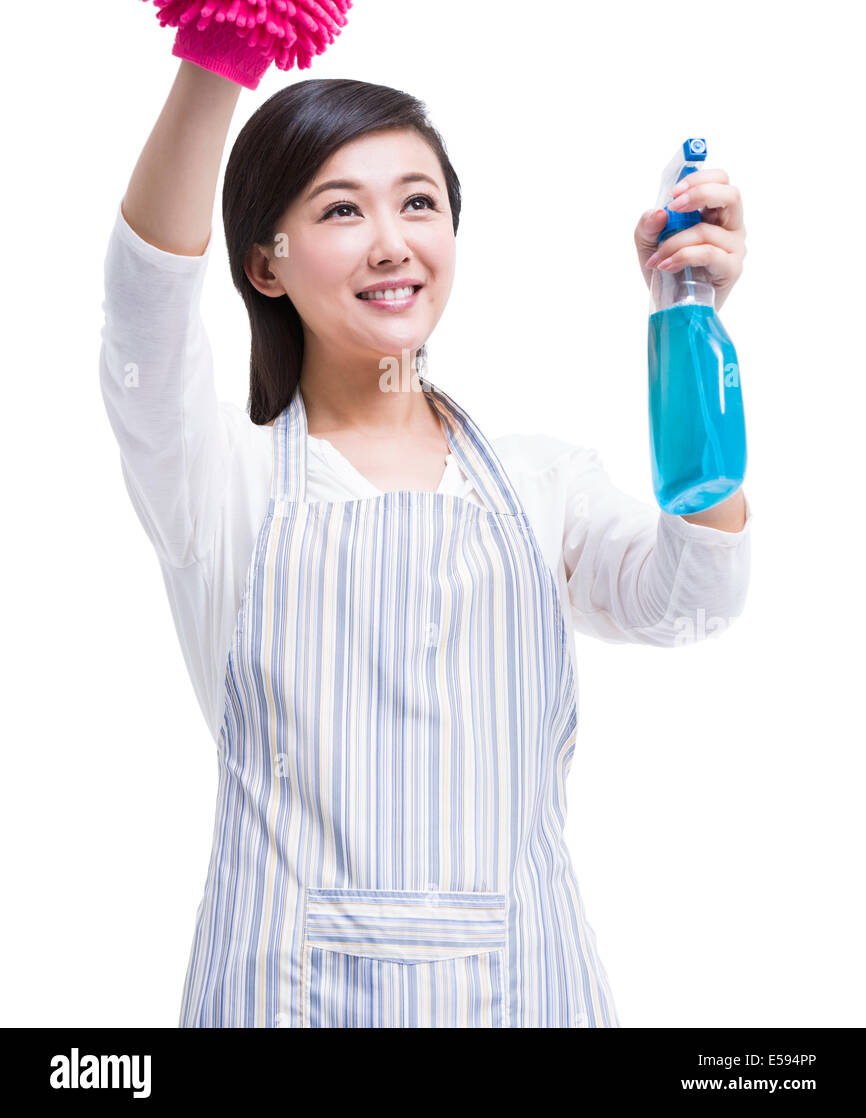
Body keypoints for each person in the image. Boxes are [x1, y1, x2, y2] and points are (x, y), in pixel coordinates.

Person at [99, 62, 752, 1028]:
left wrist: (686, 321)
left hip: (528, 996)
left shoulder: (541, 484)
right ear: (265, 261)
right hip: (282, 1002)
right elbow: (143, 315)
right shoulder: (216, 484)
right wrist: (213, 63)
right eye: (340, 212)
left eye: (419, 202)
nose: (394, 243)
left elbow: (695, 598)